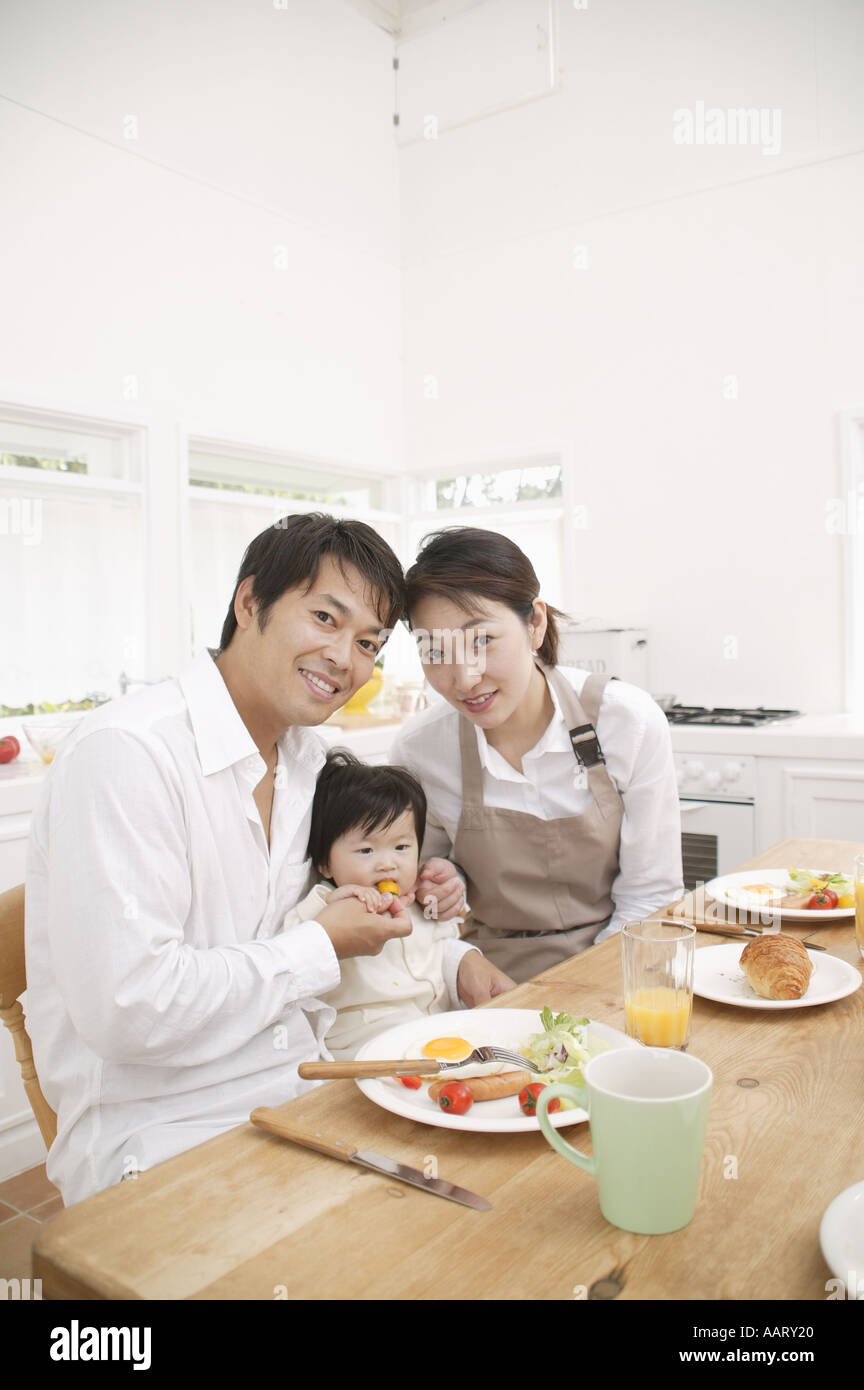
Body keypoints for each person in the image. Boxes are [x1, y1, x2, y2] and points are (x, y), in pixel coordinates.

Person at [24, 514, 414, 1205]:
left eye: (368, 644)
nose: (345, 659)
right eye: (326, 617)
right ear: (249, 602)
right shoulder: (127, 754)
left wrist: (397, 884)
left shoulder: (305, 759)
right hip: (163, 1139)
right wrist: (317, 946)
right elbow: (131, 1009)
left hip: (302, 1092)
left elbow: (323, 890)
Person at [390, 527, 684, 984]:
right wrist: (445, 893)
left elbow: (651, 895)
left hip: (618, 967)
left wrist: (584, 995)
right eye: (435, 651)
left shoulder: (628, 722)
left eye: (482, 640)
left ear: (535, 625)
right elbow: (413, 899)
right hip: (486, 978)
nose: (464, 679)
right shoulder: (420, 752)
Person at [280, 749, 515, 1058]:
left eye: (402, 847)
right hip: (363, 1048)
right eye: (366, 851)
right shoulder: (327, 905)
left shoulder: (416, 899)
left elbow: (442, 947)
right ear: (325, 863)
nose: (387, 864)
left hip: (437, 1033)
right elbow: (297, 951)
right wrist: (327, 916)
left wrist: (442, 885)